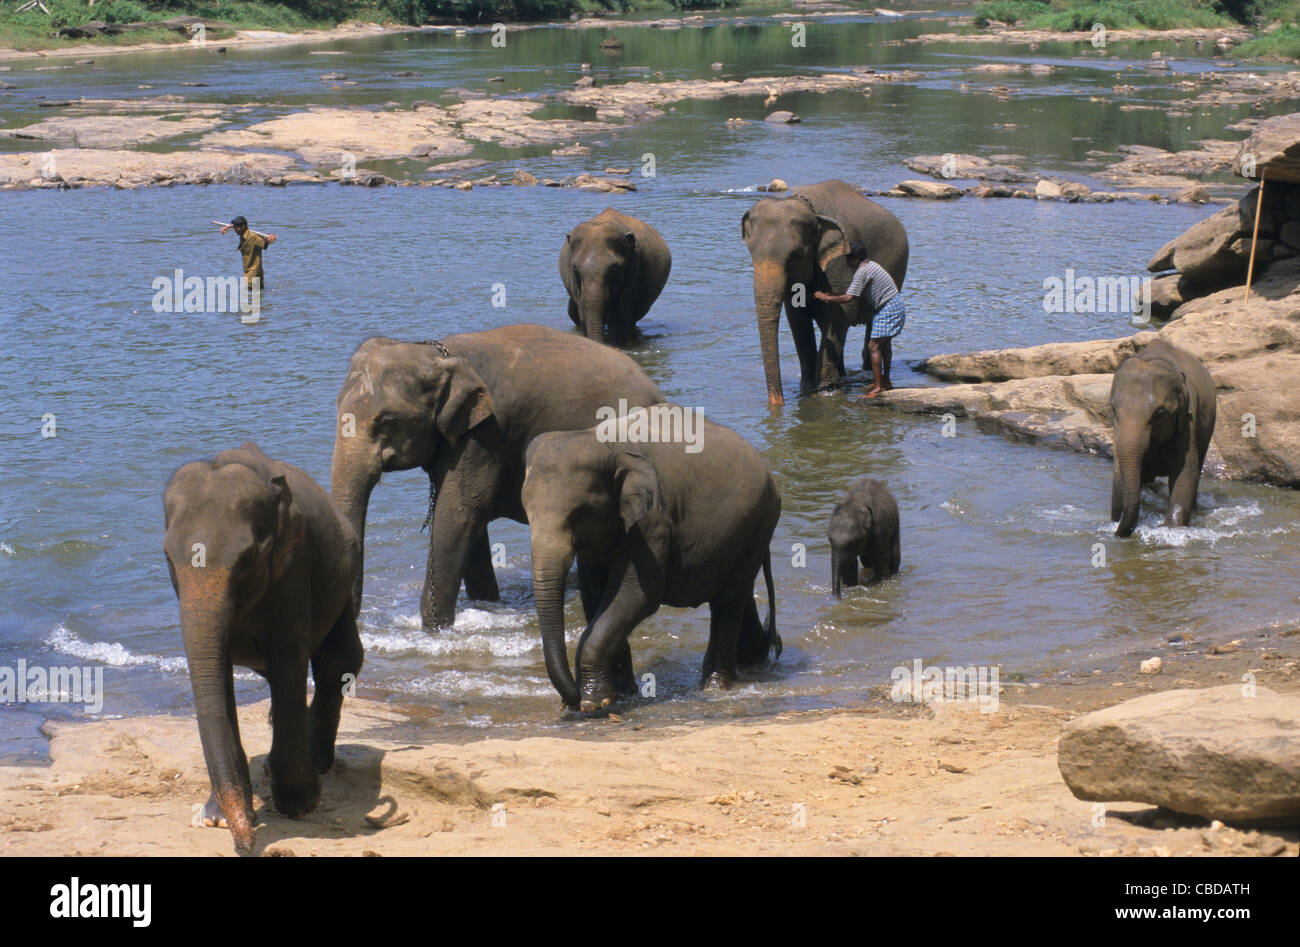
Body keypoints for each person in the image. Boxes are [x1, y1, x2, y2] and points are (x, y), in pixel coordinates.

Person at [815, 242, 906, 399]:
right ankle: (885, 381)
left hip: (888, 308)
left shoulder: (862, 272)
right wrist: (832, 295)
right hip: (894, 304)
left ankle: (878, 388)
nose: (847, 261)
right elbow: (850, 292)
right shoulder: (871, 265)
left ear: (856, 258)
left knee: (873, 346)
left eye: (849, 258)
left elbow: (848, 297)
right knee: (885, 345)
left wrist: (825, 297)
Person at [220, 216, 276, 294]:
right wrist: (229, 226)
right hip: (255, 274)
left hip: (252, 275)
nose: (235, 230)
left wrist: (271, 239)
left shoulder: (252, 238)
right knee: (257, 298)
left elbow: (265, 244)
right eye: (234, 227)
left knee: (247, 299)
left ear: (243, 227)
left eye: (236, 228)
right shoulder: (244, 234)